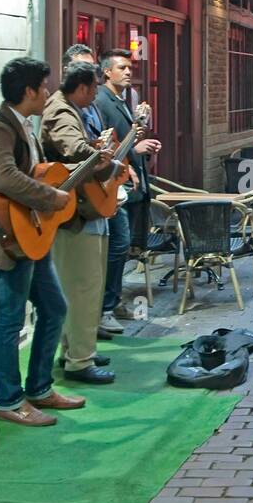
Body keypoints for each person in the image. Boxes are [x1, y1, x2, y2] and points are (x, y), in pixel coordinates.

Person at [0, 56, 83, 426]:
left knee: (54, 308)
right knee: (10, 320)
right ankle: (9, 400)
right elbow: (1, 176)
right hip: (5, 241)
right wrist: (51, 199)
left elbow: (33, 173)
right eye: (44, 87)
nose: (48, 92)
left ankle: (39, 388)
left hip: (31, 236)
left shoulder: (25, 127)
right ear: (29, 91)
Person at [42, 54, 121, 385]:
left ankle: (77, 349)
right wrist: (99, 154)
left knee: (81, 286)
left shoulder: (74, 108)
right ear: (82, 87)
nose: (95, 97)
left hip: (84, 208)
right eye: (92, 90)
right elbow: (72, 148)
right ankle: (79, 360)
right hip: (75, 212)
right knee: (84, 287)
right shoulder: (61, 110)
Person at [95, 48, 162, 335]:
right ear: (106, 72)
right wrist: (134, 148)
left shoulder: (123, 100)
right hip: (112, 185)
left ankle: (114, 301)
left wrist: (142, 134)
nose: (127, 72)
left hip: (131, 183)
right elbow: (105, 147)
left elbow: (128, 138)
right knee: (116, 246)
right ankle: (104, 308)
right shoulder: (101, 101)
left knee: (124, 248)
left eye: (129, 67)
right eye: (121, 67)